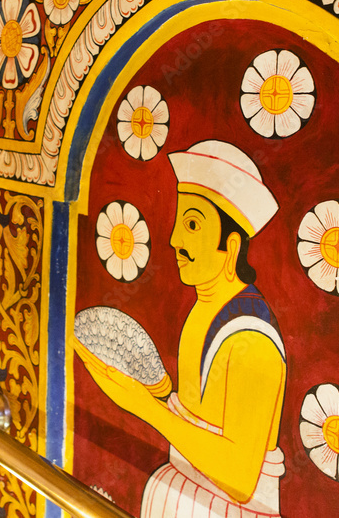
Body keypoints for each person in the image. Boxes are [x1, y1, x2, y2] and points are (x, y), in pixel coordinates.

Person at [75, 140, 287, 518]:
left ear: (231, 247)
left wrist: (143, 408)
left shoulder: (252, 343)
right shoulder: (205, 309)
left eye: (191, 224)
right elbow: (194, 417)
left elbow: (239, 477)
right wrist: (151, 390)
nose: (174, 240)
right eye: (180, 222)